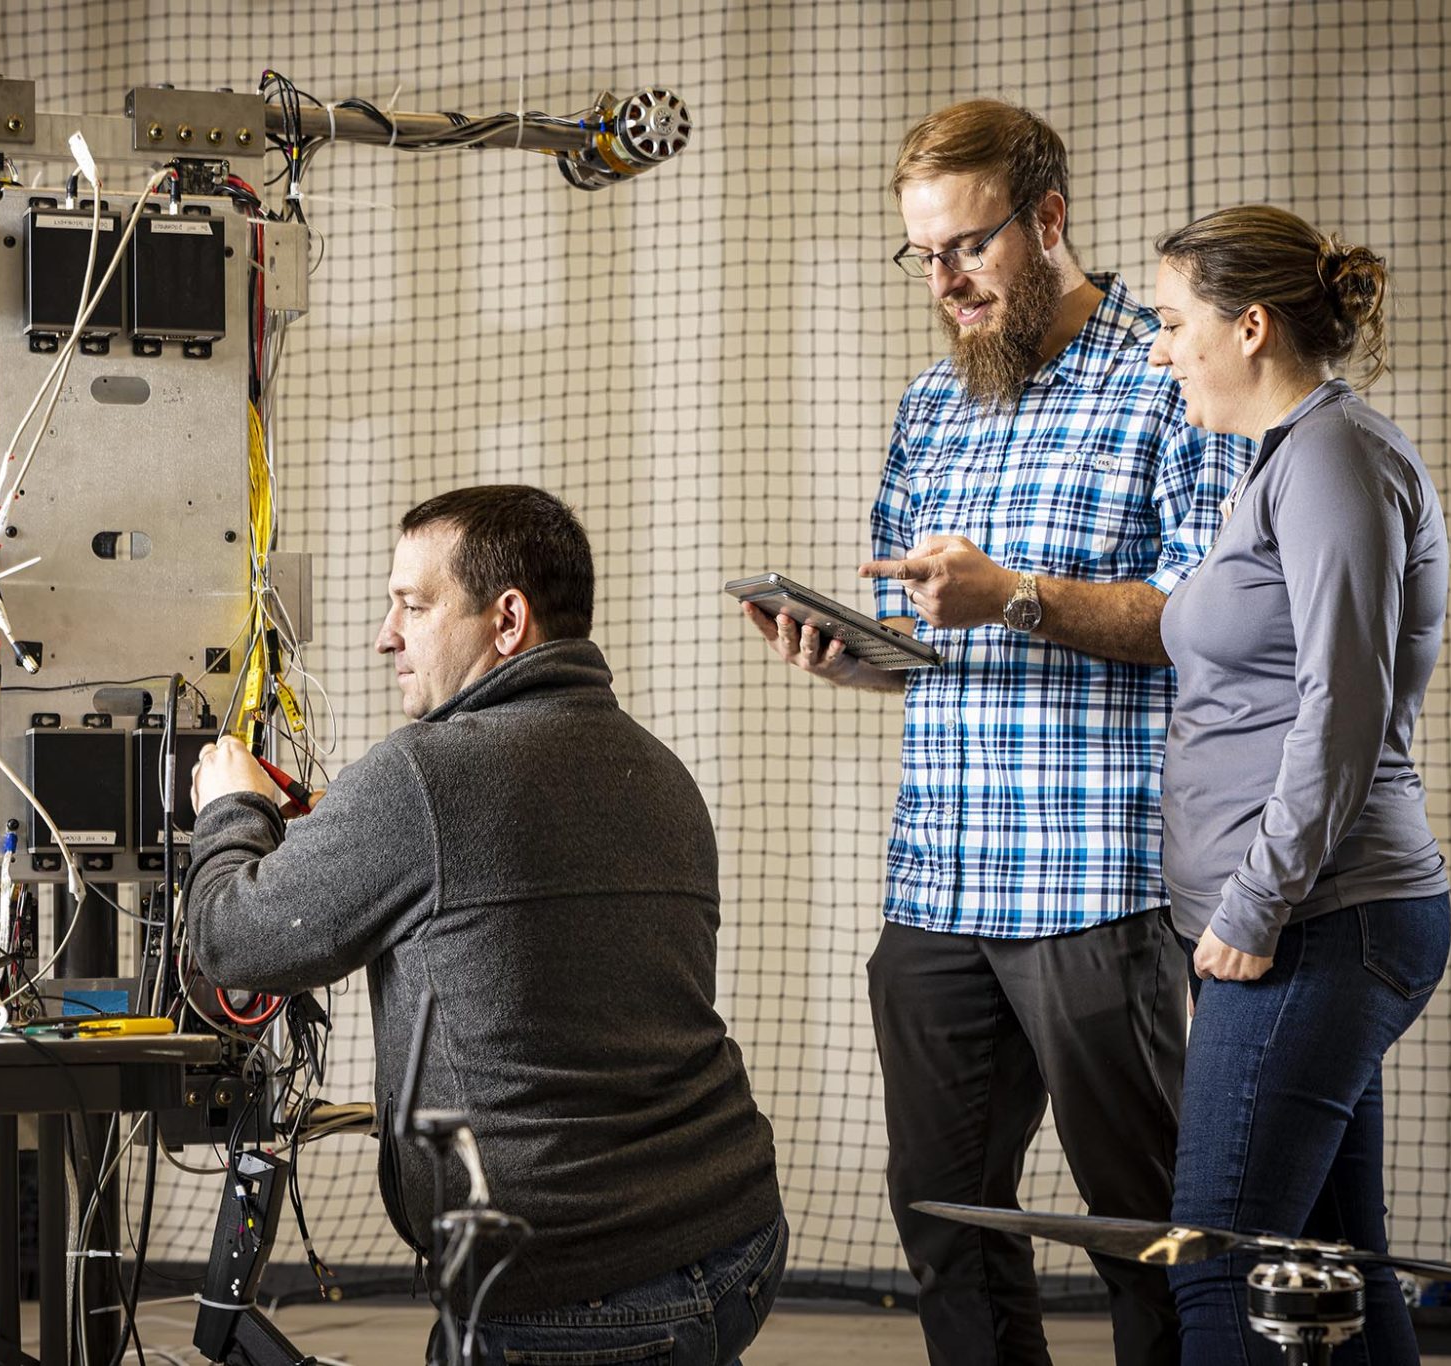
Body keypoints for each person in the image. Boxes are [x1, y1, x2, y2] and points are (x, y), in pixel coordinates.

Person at [742, 99, 1250, 1366]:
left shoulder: (1166, 372)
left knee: (1146, 1237)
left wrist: (1015, 595)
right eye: (920, 254)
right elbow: (934, 640)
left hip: (1099, 882)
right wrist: (852, 655)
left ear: (1049, 220)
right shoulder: (930, 406)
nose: (945, 279)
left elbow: (1210, 618)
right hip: (938, 881)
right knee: (946, 1225)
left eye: (968, 246)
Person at [186, 485, 787, 1366]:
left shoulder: (423, 778)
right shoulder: (661, 772)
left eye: (413, 605)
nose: (385, 635)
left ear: (507, 621)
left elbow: (235, 942)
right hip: (737, 1242)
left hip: (569, 1290)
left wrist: (231, 811)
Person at [1148, 207, 1449, 1364]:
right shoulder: (1285, 460)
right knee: (1332, 1270)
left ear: (1251, 326)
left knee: (1217, 1270)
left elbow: (1342, 703)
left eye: (1173, 325)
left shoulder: (1328, 454)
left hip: (1316, 922)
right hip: (1296, 925)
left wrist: (1247, 907)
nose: (1159, 349)